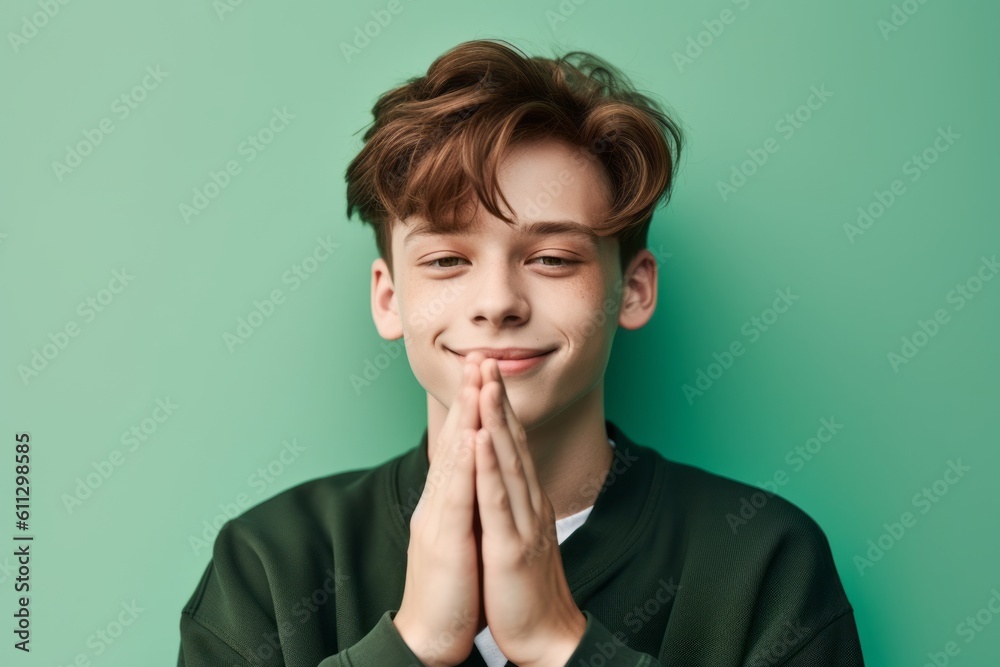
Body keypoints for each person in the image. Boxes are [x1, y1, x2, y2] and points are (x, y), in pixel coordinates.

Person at [177, 38, 865, 666]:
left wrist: (561, 641)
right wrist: (411, 644)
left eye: (553, 258)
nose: (498, 301)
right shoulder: (267, 564)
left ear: (633, 289)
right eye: (447, 260)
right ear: (389, 299)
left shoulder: (763, 560)